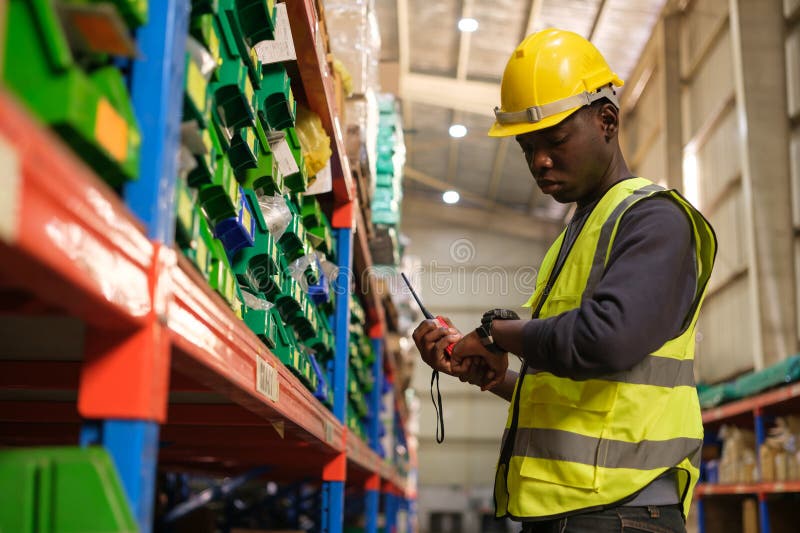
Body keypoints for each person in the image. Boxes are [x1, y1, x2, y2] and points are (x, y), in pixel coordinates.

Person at [411, 29, 717, 533]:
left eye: (554, 141)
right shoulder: (576, 234)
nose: (539, 162)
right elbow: (580, 402)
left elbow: (604, 340)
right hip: (573, 513)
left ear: (607, 122)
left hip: (623, 514)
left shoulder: (655, 220)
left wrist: (493, 334)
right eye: (527, 149)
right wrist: (492, 374)